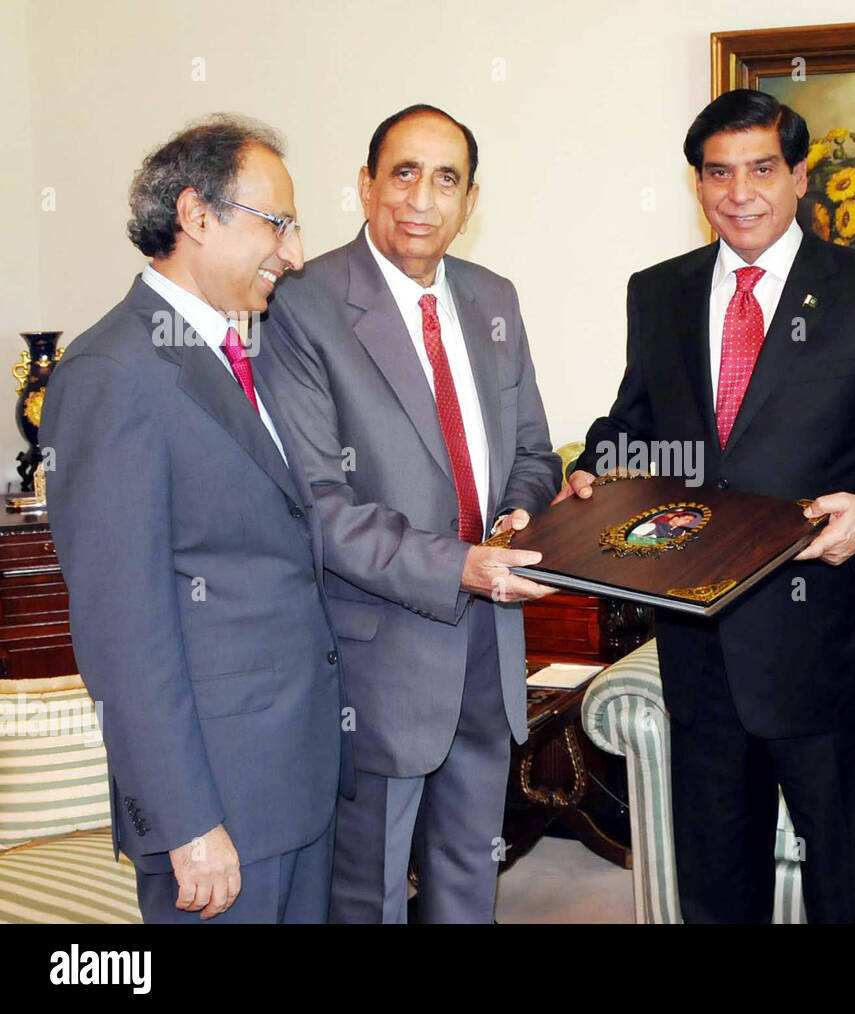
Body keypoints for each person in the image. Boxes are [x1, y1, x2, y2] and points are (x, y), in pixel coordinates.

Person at [558, 89, 855, 923]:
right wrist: (596, 470)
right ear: (697, 185)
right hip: (701, 657)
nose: (740, 192)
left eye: (763, 168)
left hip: (833, 657)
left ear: (800, 175)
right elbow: (636, 422)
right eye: (718, 172)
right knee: (714, 892)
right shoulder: (658, 292)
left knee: (848, 894)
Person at [258, 104, 560, 924]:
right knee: (369, 889)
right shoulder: (303, 303)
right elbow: (318, 504)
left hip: (489, 643)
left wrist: (517, 522)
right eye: (403, 172)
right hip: (376, 652)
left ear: (470, 202)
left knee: (470, 873)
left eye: (446, 179)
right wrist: (457, 564)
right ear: (365, 185)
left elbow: (534, 454)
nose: (422, 197)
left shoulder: (494, 298)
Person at [41, 116, 345, 923]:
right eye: (277, 224)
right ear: (197, 216)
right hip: (219, 808)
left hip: (295, 782)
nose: (296, 253)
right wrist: (184, 822)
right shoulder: (113, 373)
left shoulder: (241, 352)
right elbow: (120, 630)